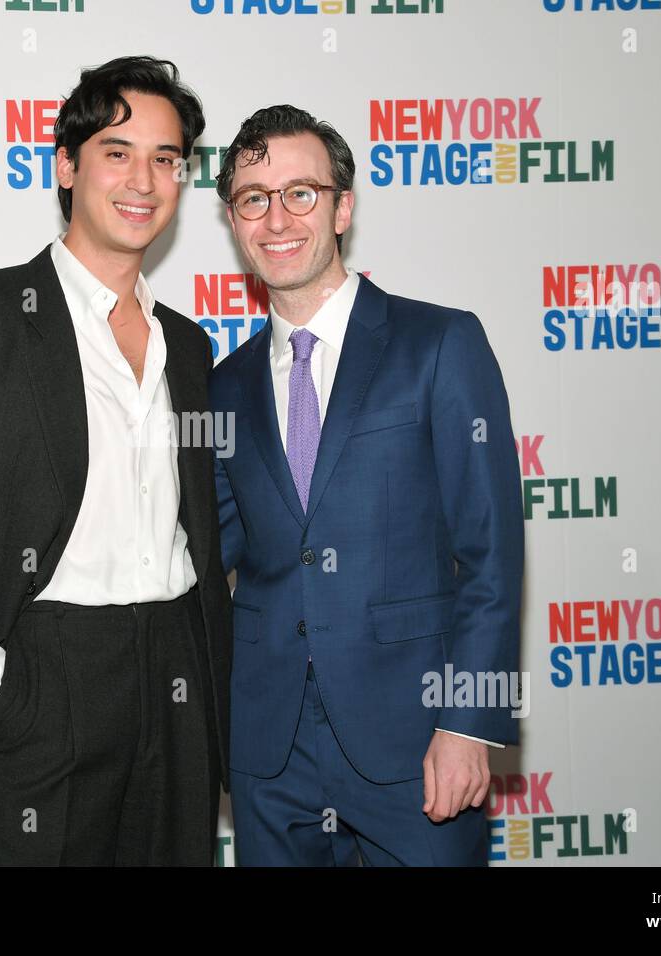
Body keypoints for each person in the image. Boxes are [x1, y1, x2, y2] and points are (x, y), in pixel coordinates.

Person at [0, 56, 232, 866]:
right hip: (45, 674)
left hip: (176, 677)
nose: (144, 179)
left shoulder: (192, 347)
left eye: (166, 160)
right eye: (117, 151)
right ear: (66, 165)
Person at [209, 105, 524, 866]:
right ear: (233, 219)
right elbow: (197, 554)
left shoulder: (441, 344)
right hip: (268, 750)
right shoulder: (222, 386)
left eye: (301, 193)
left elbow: (492, 555)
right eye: (254, 197)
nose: (277, 217)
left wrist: (469, 725)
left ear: (343, 206)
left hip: (417, 741)